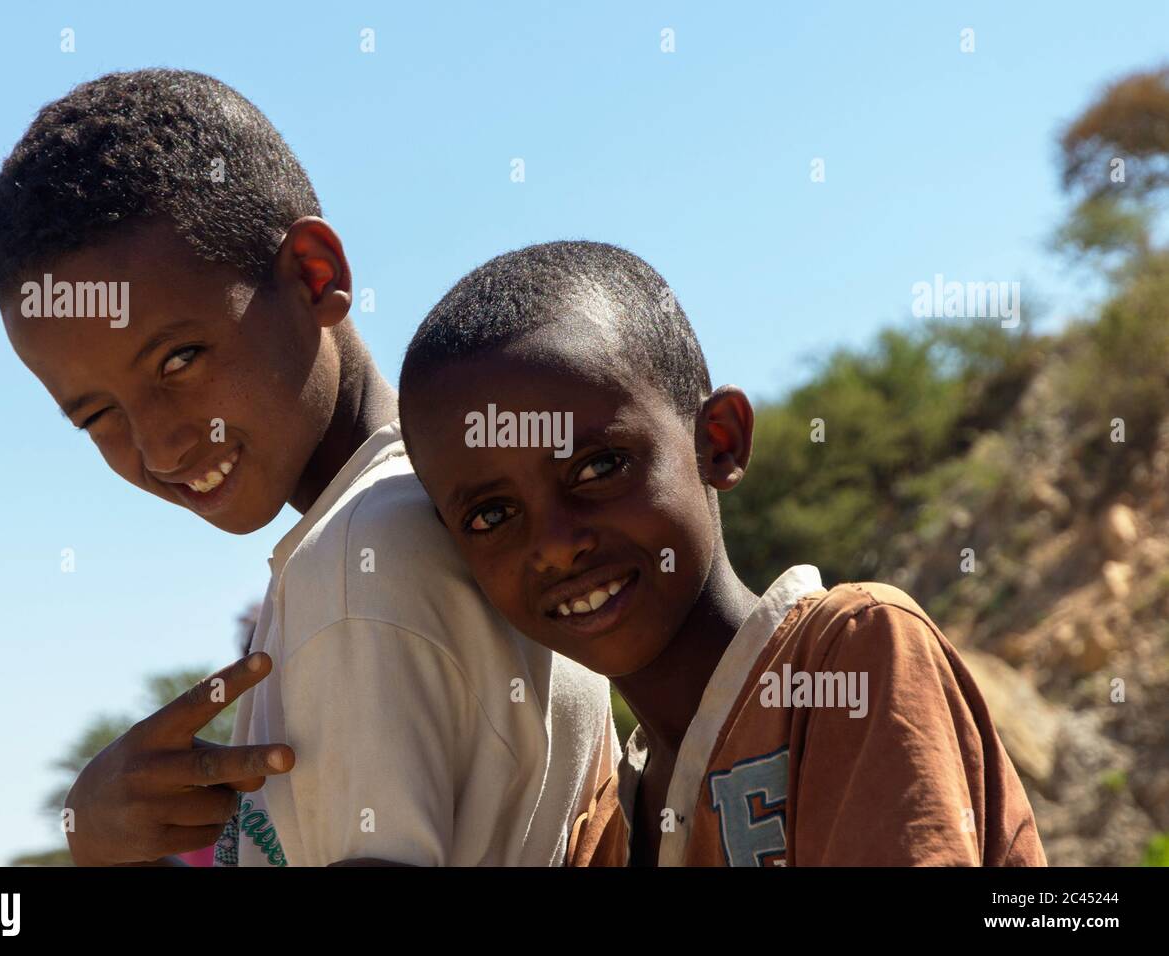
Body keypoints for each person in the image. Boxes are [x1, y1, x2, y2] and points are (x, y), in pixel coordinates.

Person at [0, 71, 615, 866]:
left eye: (180, 358)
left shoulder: (362, 557)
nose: (162, 447)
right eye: (97, 414)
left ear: (315, 275)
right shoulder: (436, 517)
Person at [397, 240, 1048, 866]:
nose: (558, 546)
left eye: (599, 468)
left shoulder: (847, 658)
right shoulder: (603, 829)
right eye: (492, 515)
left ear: (720, 441)